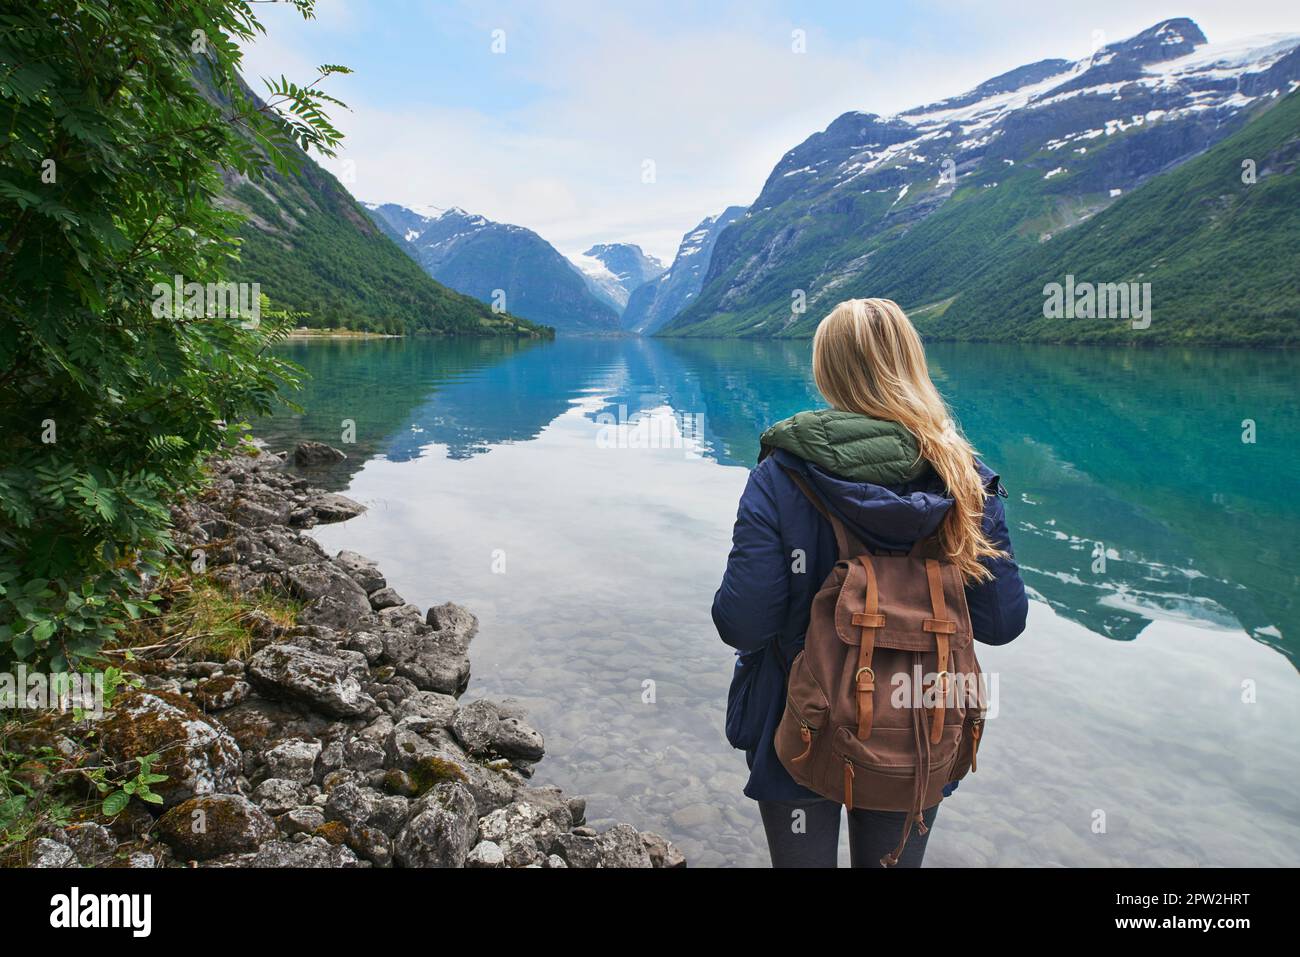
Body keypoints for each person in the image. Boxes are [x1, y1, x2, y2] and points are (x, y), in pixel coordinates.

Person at [713, 298, 1028, 868]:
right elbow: (1002, 623)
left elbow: (743, 621)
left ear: (826, 370)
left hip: (798, 712)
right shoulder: (967, 478)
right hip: (923, 720)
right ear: (912, 362)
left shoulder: (781, 474)